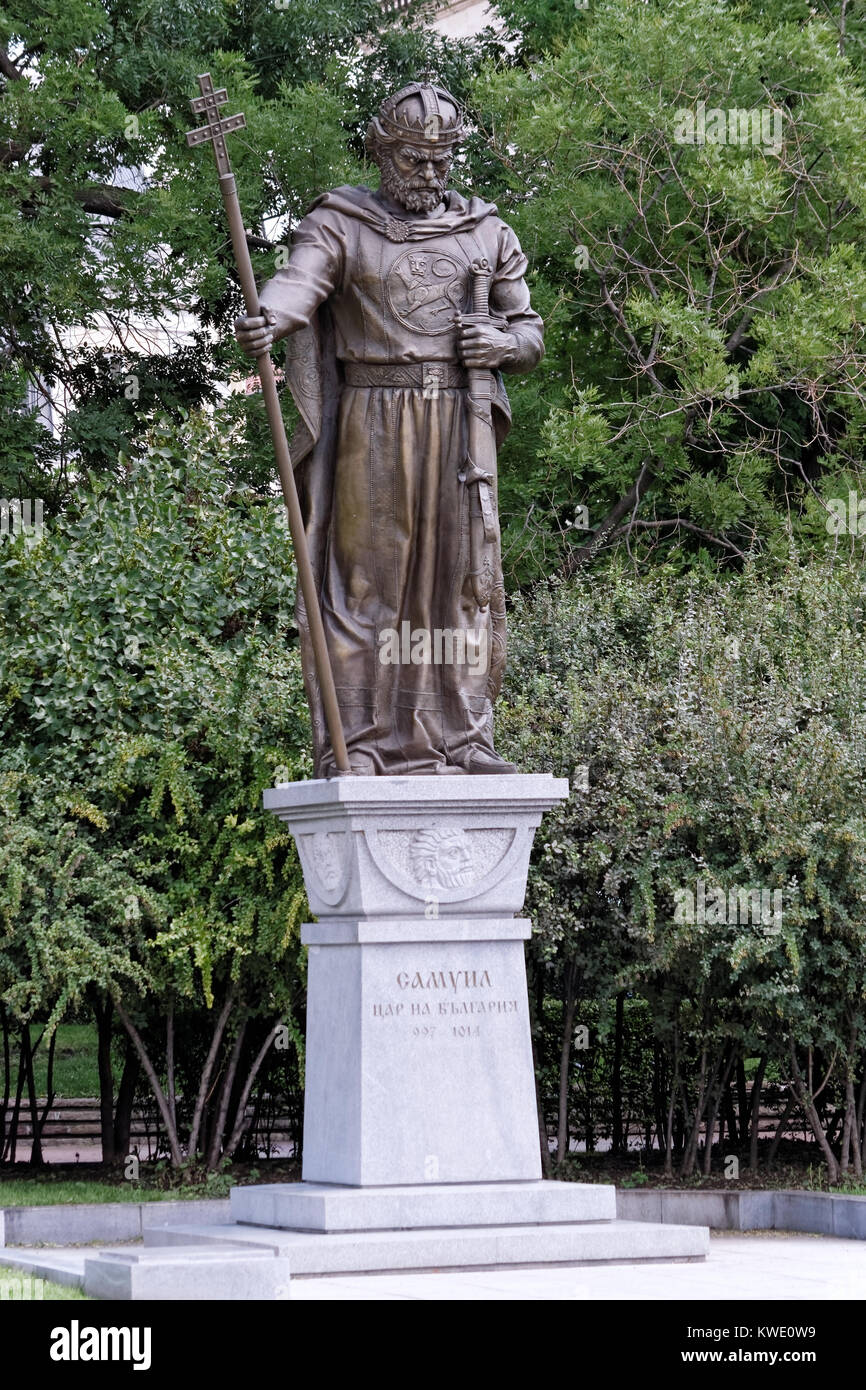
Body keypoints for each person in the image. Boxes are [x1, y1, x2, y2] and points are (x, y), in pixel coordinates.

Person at [235, 81, 544, 776]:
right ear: (382, 152)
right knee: (365, 586)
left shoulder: (487, 231)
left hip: (462, 424)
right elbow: (299, 282)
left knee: (464, 583)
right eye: (412, 160)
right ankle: (362, 744)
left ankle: (464, 739)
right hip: (373, 422)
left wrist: (501, 346)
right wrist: (269, 316)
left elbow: (529, 332)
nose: (428, 174)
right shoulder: (341, 222)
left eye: (441, 161)